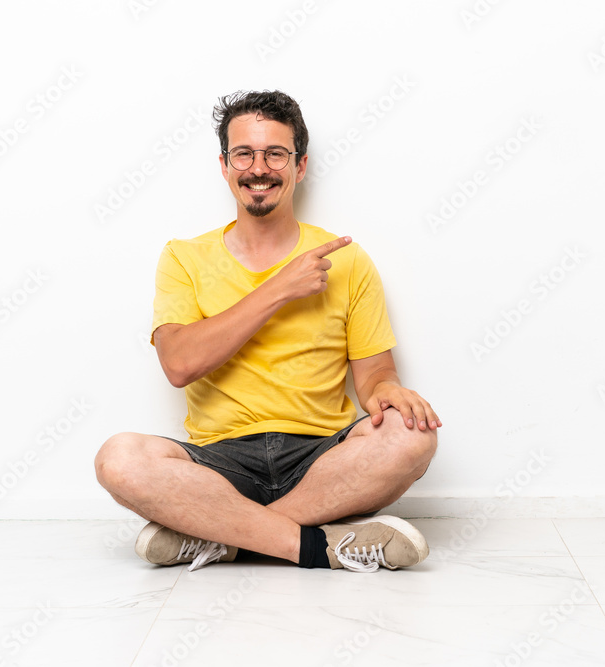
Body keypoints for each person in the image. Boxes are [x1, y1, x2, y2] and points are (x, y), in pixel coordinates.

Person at [94, 90, 440, 573]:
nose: (259, 167)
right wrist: (279, 288)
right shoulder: (183, 257)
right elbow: (178, 364)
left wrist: (390, 393)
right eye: (244, 154)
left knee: (412, 435)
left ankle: (221, 537)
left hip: (320, 458)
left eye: (276, 154)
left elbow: (375, 375)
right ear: (224, 165)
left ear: (299, 167)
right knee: (119, 459)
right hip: (220, 462)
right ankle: (321, 546)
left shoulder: (347, 260)